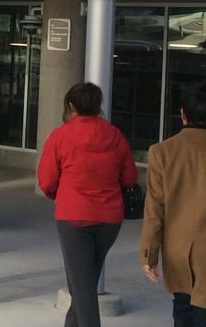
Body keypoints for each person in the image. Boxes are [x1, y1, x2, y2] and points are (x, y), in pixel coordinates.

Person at [37, 82, 138, 327]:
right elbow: (130, 178)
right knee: (83, 282)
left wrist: (61, 196)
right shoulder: (115, 135)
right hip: (109, 219)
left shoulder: (61, 136)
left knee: (82, 288)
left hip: (74, 217)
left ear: (71, 106)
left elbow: (46, 180)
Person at [140, 83, 206, 327]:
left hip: (177, 254)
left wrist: (149, 254)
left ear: (182, 114)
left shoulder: (161, 152)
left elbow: (155, 209)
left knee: (182, 314)